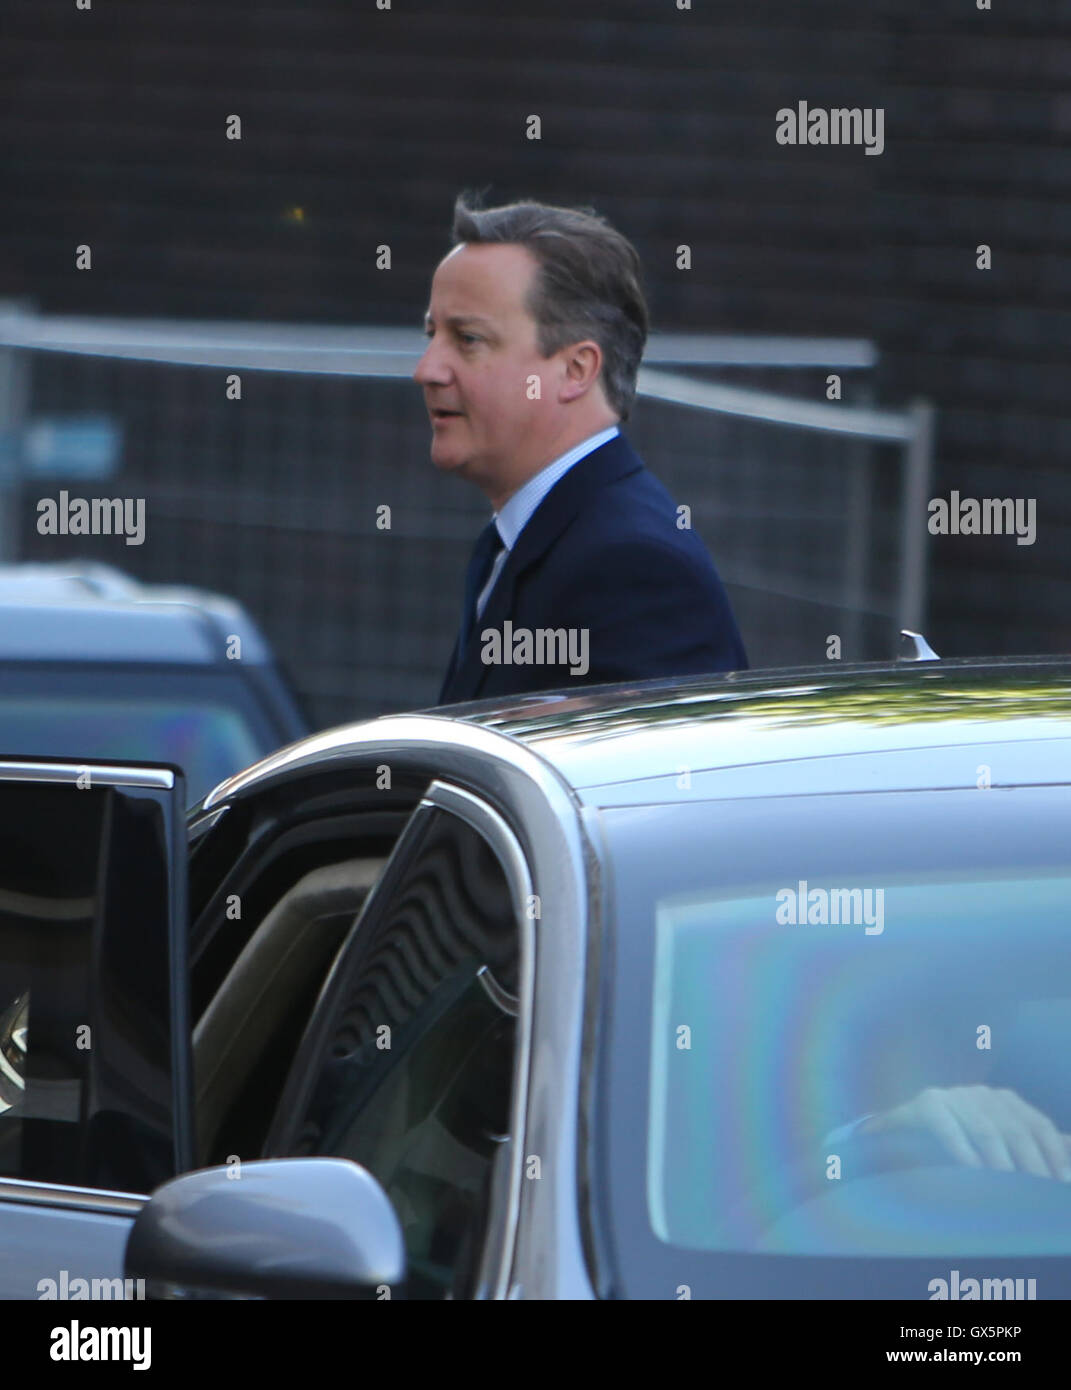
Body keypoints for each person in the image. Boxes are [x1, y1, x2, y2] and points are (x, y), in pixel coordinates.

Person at [414, 195, 747, 706]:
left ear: (575, 370)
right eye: (432, 333)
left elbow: (660, 782)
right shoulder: (529, 538)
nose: (427, 369)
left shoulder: (632, 568)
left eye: (468, 339)